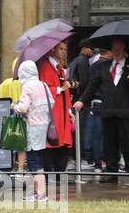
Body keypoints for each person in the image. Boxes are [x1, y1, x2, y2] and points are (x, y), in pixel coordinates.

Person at [76, 38, 129, 183]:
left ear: (124, 48)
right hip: (108, 110)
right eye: (114, 47)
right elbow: (92, 86)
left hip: (127, 111)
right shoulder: (103, 66)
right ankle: (112, 172)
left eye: (119, 47)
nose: (116, 50)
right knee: (109, 144)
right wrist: (82, 100)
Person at [11, 61, 52, 202]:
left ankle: (40, 194)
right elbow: (51, 102)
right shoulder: (43, 85)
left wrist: (14, 106)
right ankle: (36, 192)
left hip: (32, 126)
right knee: (39, 160)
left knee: (34, 161)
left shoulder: (27, 87)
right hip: (43, 127)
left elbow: (23, 108)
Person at [38, 41, 74, 176]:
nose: (64, 52)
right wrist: (60, 88)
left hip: (63, 111)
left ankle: (60, 172)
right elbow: (44, 88)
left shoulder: (59, 68)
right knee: (52, 141)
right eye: (61, 49)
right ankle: (50, 173)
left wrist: (70, 111)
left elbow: (66, 91)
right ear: (52, 50)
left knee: (63, 143)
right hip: (53, 112)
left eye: (65, 49)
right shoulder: (46, 67)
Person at [66, 43, 102, 169]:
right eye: (90, 49)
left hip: (74, 99)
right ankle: (79, 158)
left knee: (76, 130)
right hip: (81, 100)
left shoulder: (74, 61)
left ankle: (74, 158)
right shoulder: (83, 61)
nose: (92, 52)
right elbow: (86, 82)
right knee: (81, 130)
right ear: (84, 49)